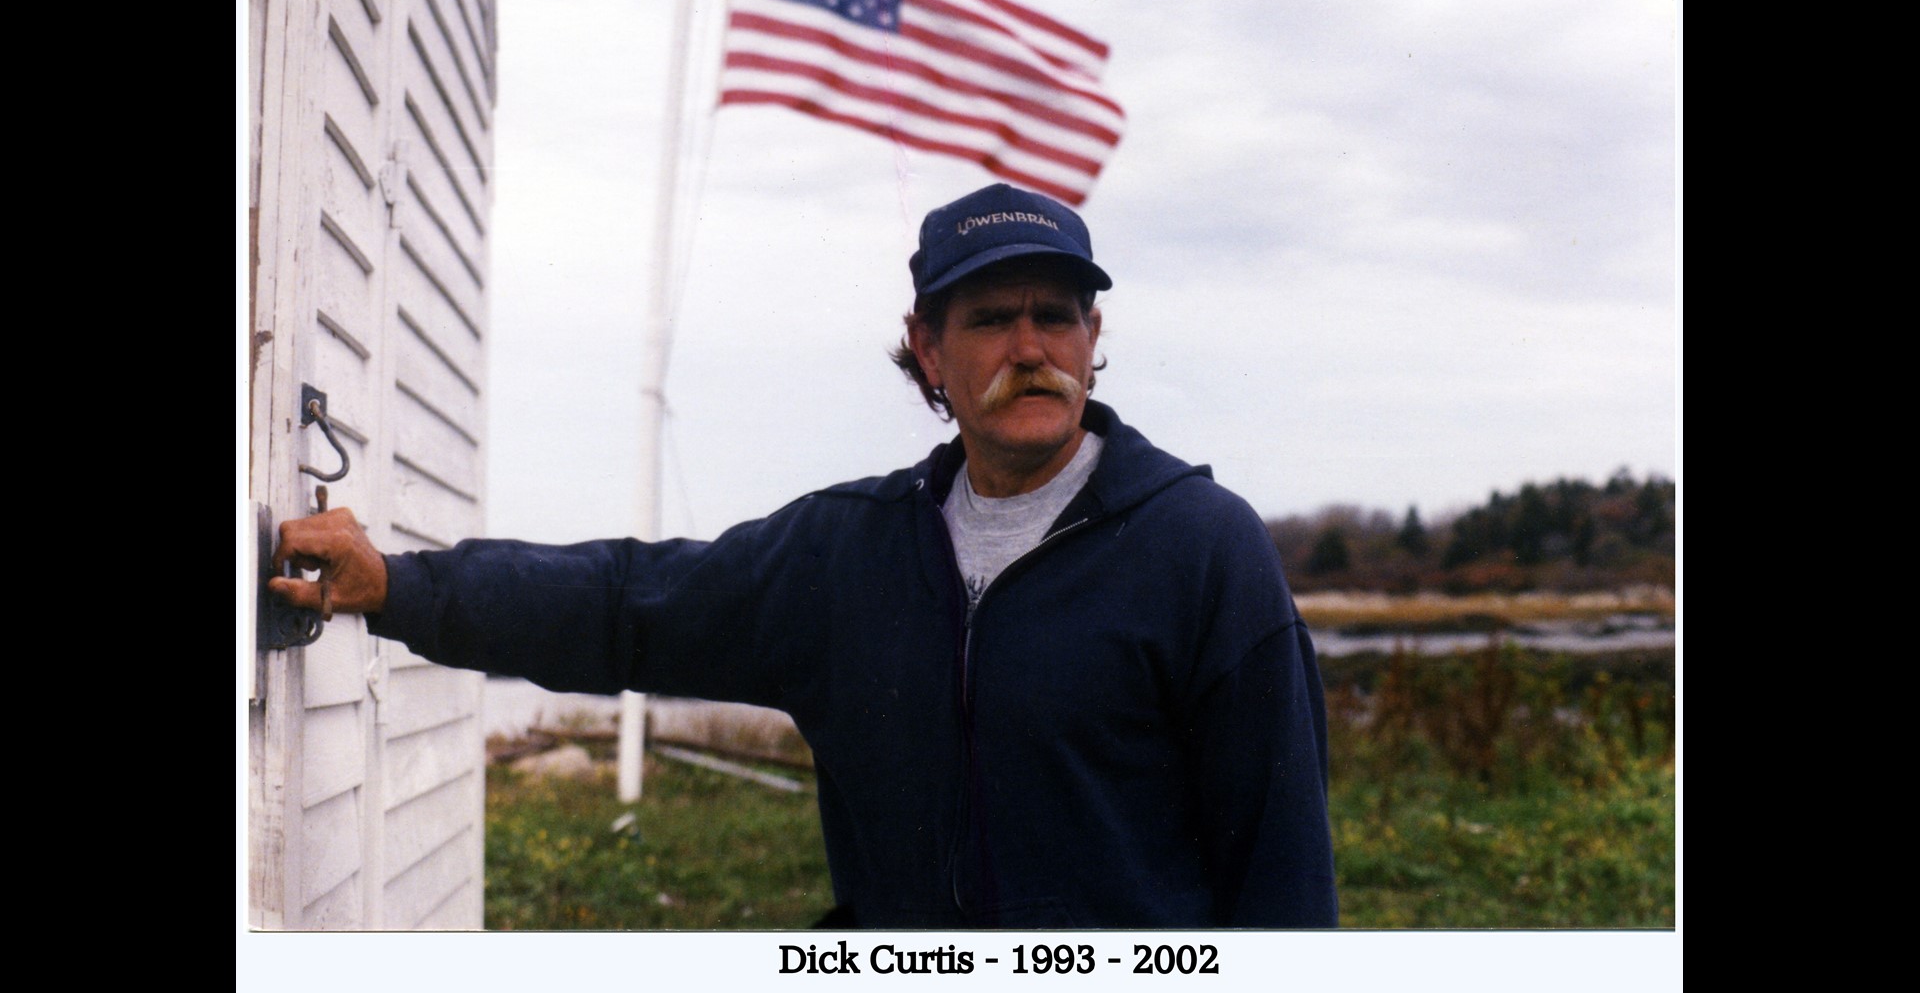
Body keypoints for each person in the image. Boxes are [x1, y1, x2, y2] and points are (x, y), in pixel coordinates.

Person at [271, 182, 1339, 929]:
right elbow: (629, 604)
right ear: (927, 347)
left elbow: (1284, 875)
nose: (1030, 350)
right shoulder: (846, 555)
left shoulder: (1204, 552)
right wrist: (401, 587)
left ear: (1093, 337)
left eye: (1055, 319)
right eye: (991, 320)